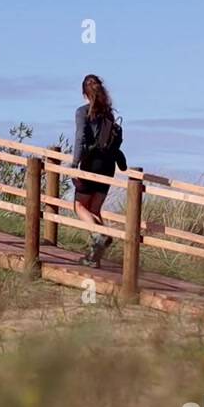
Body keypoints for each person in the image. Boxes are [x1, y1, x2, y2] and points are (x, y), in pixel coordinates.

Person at [72, 74, 127, 267]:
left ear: (84, 93)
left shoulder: (83, 112)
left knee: (79, 207)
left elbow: (80, 139)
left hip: (91, 163)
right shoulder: (109, 114)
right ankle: (94, 258)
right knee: (95, 209)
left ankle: (101, 234)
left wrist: (74, 165)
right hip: (107, 166)